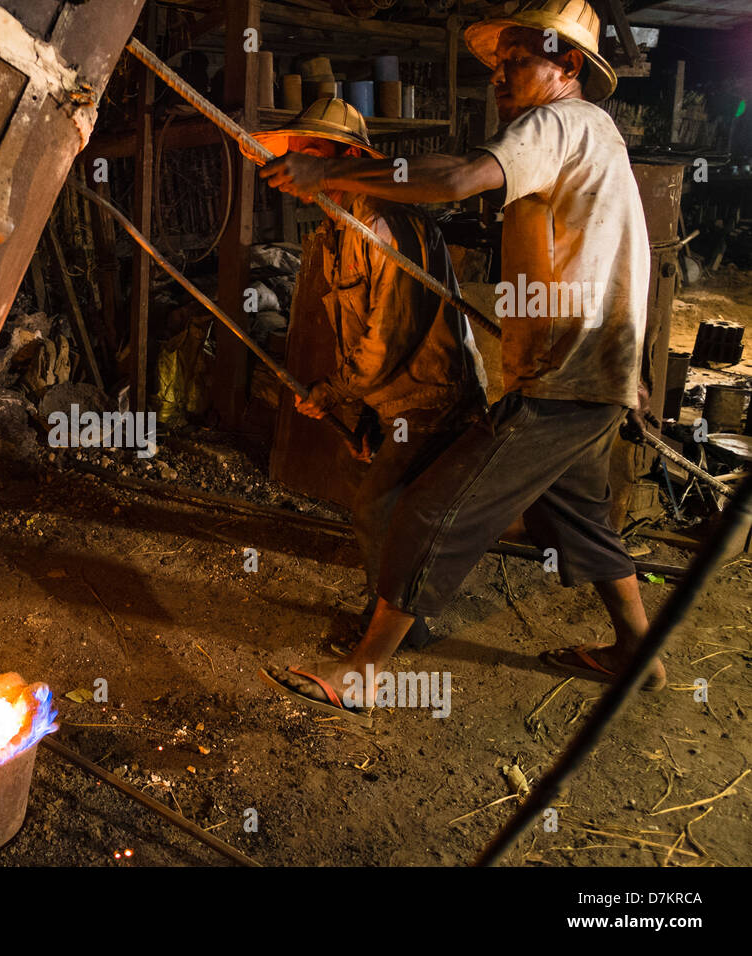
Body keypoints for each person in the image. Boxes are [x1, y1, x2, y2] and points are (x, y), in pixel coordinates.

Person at [258, 0, 663, 715]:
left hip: (568, 379)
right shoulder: (593, 136)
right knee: (577, 517)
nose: (501, 75)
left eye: (518, 61)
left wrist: (332, 177)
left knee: (434, 511)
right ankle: (639, 651)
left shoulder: (558, 122)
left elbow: (454, 180)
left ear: (567, 66)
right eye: (498, 62)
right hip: (589, 373)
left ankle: (364, 672)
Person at [250, 98, 488, 661]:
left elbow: (389, 337)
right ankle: (405, 615)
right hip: (397, 402)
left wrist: (333, 392)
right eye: (296, 153)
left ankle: (405, 625)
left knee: (380, 508)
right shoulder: (338, 226)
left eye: (308, 152)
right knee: (394, 505)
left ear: (345, 156)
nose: (294, 166)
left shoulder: (381, 221)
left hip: (432, 398)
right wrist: (362, 415)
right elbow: (354, 330)